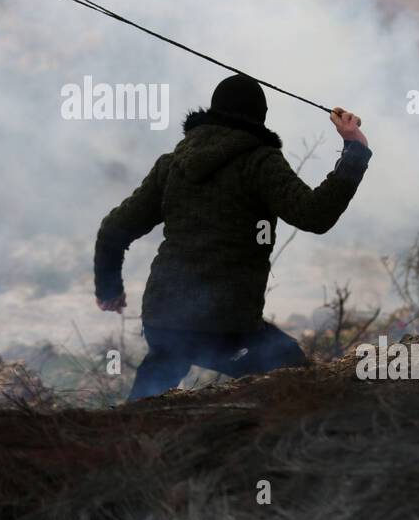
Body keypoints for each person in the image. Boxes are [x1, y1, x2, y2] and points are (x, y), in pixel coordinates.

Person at [94, 73, 372, 401]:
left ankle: (128, 434)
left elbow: (114, 229)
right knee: (294, 379)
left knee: (163, 368)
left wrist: (109, 288)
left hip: (164, 317)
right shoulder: (260, 162)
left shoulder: (172, 165)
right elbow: (315, 215)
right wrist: (354, 151)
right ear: (259, 119)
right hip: (226, 328)